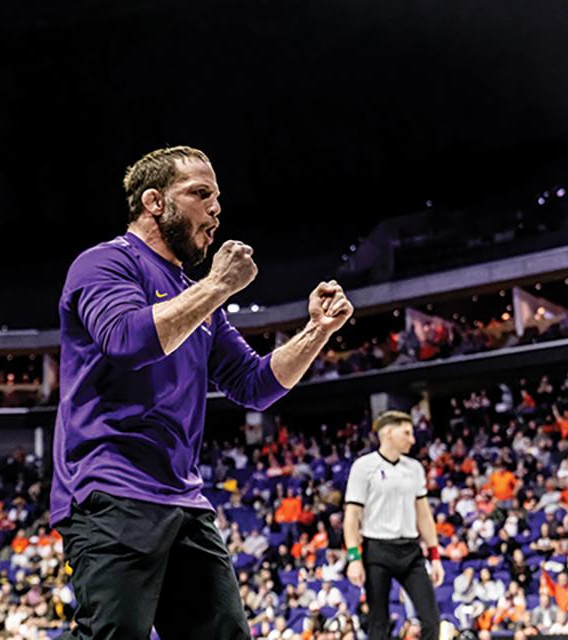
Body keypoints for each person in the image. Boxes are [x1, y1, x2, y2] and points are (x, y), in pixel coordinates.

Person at [50, 145, 353, 639]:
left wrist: (316, 331)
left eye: (217, 196)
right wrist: (217, 287)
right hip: (110, 489)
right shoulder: (103, 264)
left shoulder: (199, 297)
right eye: (200, 194)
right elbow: (128, 341)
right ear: (154, 202)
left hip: (184, 499)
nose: (216, 208)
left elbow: (254, 385)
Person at [343, 411, 443, 640]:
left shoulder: (415, 468)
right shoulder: (363, 466)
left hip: (410, 550)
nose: (412, 439)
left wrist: (434, 556)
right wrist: (353, 558)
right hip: (376, 551)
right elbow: (351, 516)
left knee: (431, 621)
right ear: (387, 432)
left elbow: (424, 515)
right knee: (378, 624)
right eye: (406, 433)